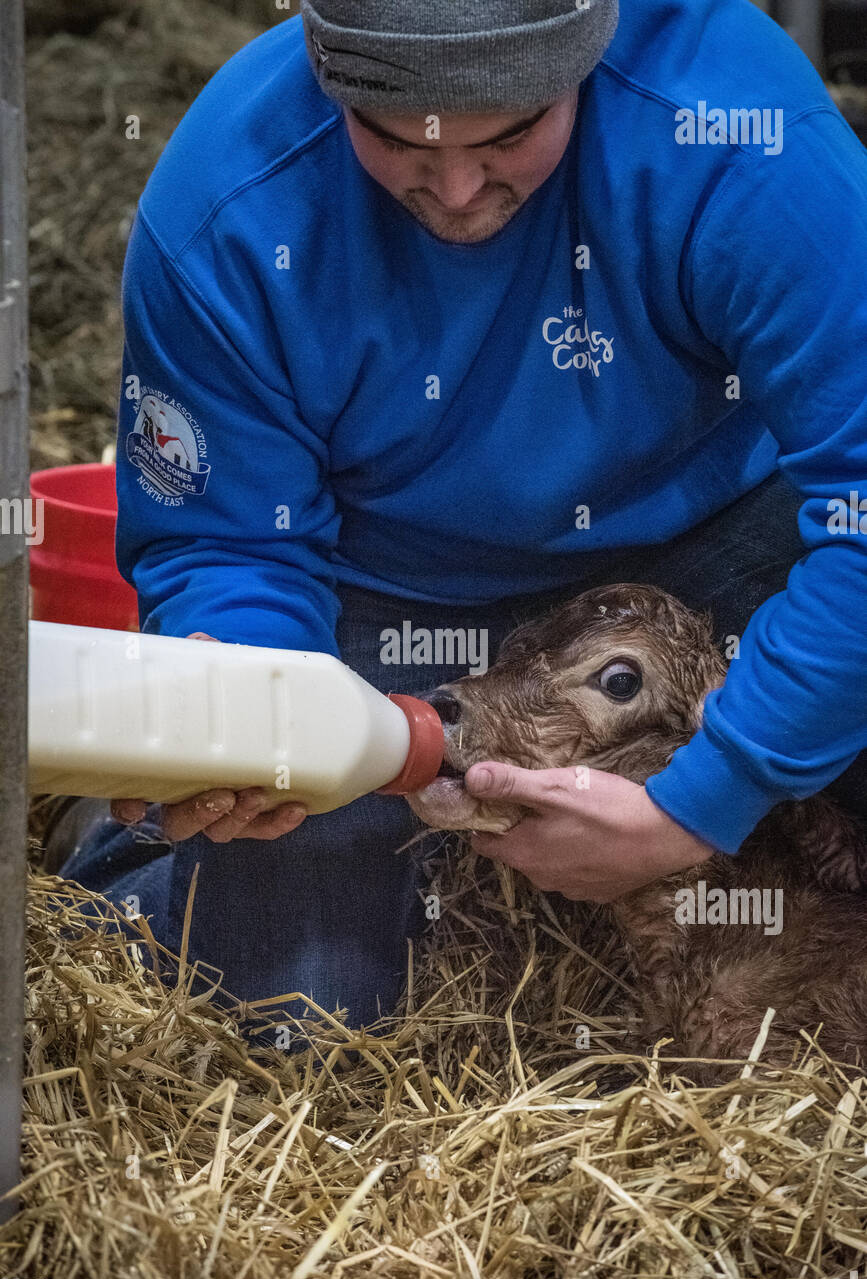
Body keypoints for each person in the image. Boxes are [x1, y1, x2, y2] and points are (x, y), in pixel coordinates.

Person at [47, 0, 867, 1028]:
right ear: (328, 72)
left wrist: (706, 794)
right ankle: (128, 868)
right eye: (395, 140)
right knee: (294, 1022)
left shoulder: (735, 132)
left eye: (512, 133)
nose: (460, 190)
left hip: (717, 545)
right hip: (390, 591)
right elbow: (228, 539)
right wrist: (257, 716)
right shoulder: (231, 202)